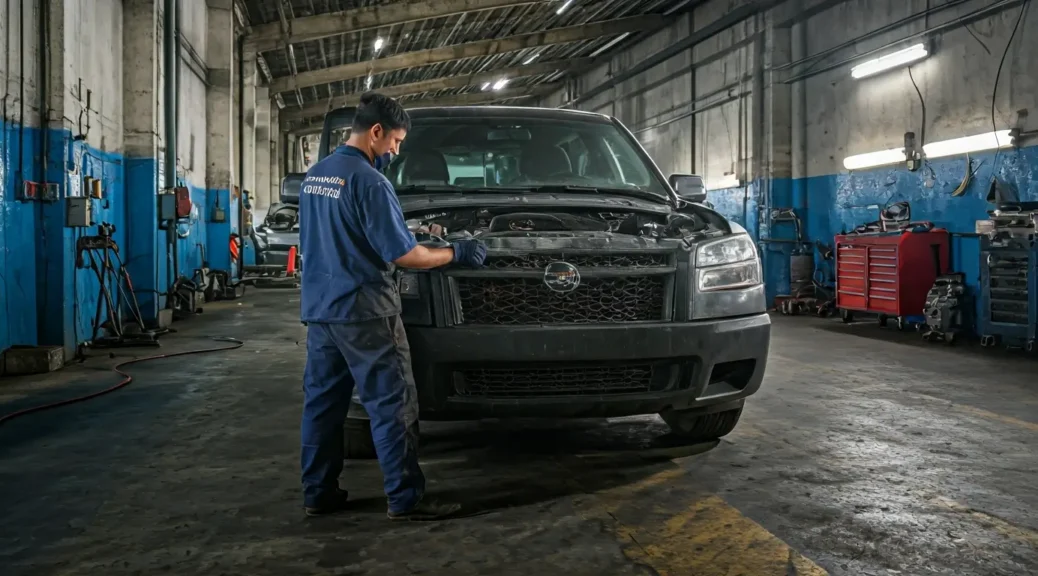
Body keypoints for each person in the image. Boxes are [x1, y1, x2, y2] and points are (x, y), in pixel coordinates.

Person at [297, 92, 487, 520]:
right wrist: (456, 252)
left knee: (322, 406)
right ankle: (406, 499)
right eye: (396, 142)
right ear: (377, 132)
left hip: (322, 310)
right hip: (366, 312)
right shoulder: (370, 181)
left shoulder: (317, 175)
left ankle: (317, 493)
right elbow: (406, 256)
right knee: (392, 404)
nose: (396, 151)